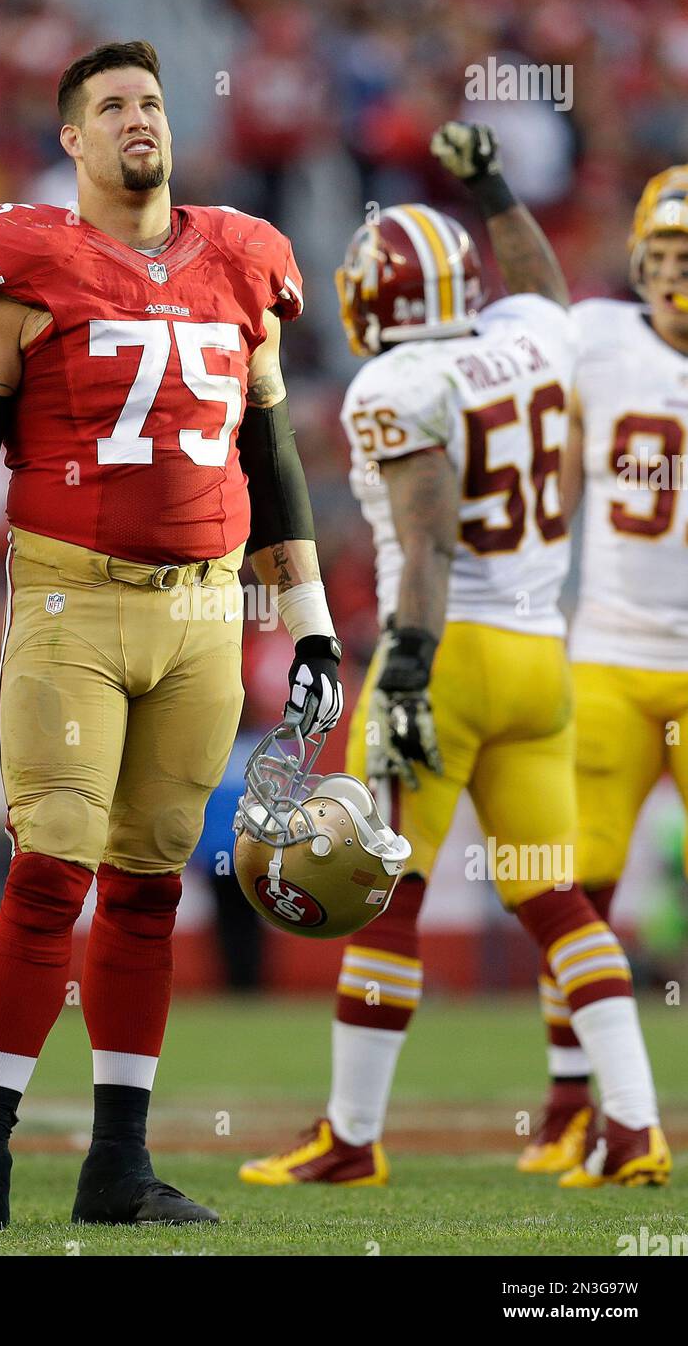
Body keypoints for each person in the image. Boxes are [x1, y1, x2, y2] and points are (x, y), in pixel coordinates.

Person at [0, 40, 343, 1229]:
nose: (139, 118)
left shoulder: (245, 258)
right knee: (50, 871)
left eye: (150, 100)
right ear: (73, 141)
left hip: (205, 607)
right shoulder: (19, 258)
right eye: (112, 107)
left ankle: (119, 1164)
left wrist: (311, 625)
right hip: (68, 598)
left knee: (150, 892)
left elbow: (275, 456)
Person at [239, 123, 670, 1192]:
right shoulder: (535, 334)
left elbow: (427, 536)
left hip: (452, 653)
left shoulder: (397, 387)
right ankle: (636, 1127)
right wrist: (494, 189)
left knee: (390, 894)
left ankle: (349, 1134)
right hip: (543, 661)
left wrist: (413, 666)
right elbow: (540, 282)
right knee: (556, 898)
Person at [518, 166, 688, 1174]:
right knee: (576, 882)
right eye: (660, 258)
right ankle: (570, 1103)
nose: (673, 277)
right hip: (614, 654)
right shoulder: (599, 335)